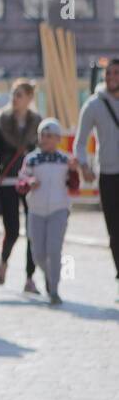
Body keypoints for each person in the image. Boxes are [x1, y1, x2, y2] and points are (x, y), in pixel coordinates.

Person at [17, 119, 94, 305]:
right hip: (36, 210)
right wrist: (29, 183)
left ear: (58, 138)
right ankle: (50, 276)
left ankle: (54, 289)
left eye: (49, 135)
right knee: (38, 254)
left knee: (54, 249)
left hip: (58, 210)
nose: (45, 139)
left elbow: (74, 187)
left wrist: (74, 171)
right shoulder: (32, 159)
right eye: (42, 135)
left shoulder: (65, 160)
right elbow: (21, 183)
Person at [0, 79, 42, 293]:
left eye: (19, 95)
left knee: (32, 230)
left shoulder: (37, 124)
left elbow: (41, 154)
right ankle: (4, 261)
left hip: (30, 182)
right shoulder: (2, 121)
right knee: (13, 230)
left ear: (29, 98)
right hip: (7, 182)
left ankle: (29, 277)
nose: (15, 99)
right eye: (13, 94)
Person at [74, 56, 119, 295]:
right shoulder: (94, 105)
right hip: (109, 174)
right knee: (115, 230)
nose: (111, 77)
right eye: (108, 73)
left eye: (116, 73)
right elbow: (80, 142)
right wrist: (84, 165)